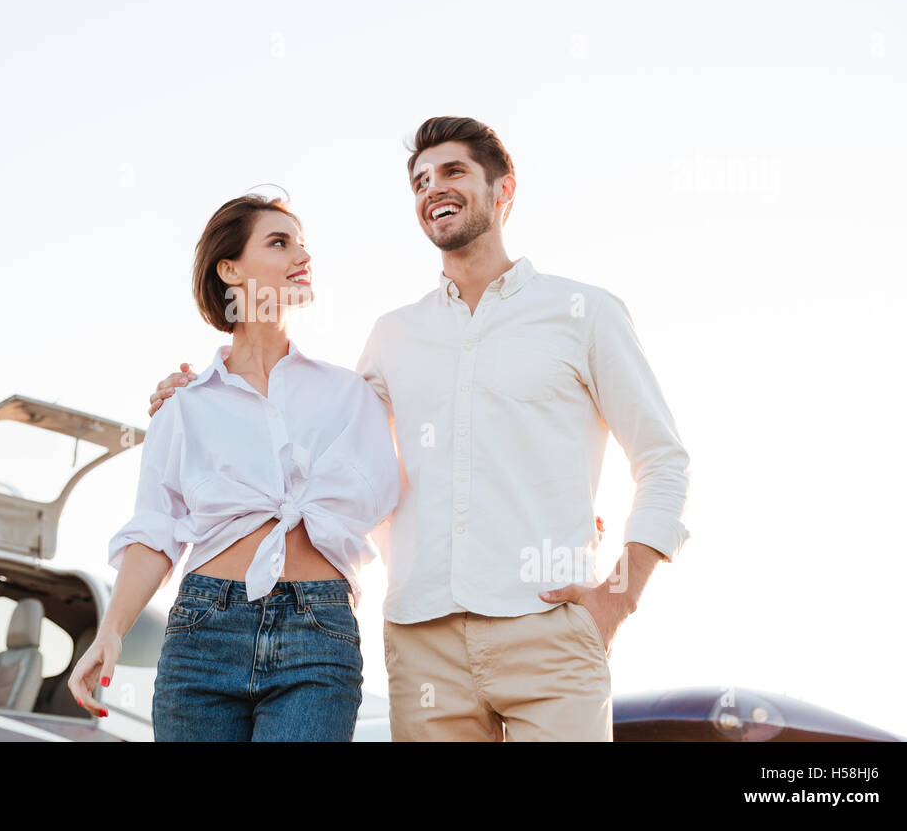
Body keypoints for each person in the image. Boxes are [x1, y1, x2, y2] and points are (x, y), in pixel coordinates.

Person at [147, 116, 693, 741]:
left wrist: (618, 598)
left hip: (551, 630)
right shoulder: (393, 335)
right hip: (422, 644)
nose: (434, 187)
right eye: (420, 180)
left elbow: (664, 459)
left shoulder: (584, 313)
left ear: (503, 189)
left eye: (454, 171)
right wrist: (199, 389)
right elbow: (307, 438)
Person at [67, 192, 400, 741]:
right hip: (203, 634)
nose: (301, 255)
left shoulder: (350, 395)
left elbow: (391, 510)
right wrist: (111, 632)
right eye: (279, 242)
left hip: (317, 636)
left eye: (303, 244)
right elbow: (156, 531)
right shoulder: (185, 404)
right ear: (229, 268)